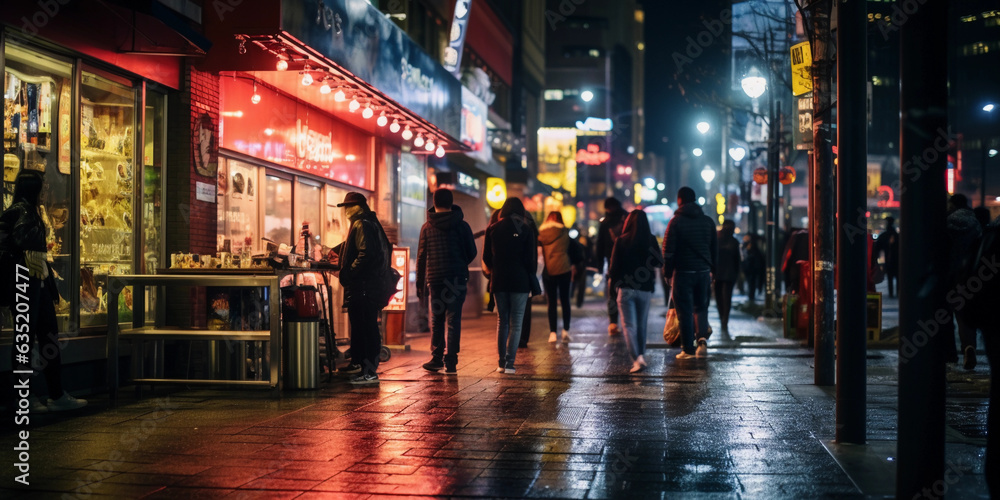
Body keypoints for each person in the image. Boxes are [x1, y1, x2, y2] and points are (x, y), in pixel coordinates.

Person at [1, 170, 86, 412]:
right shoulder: (23, 212)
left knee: (41, 336)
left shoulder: (24, 211)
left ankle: (53, 394)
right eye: (42, 187)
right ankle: (30, 396)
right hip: (27, 281)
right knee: (29, 339)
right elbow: (24, 243)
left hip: (36, 280)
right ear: (34, 189)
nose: (45, 191)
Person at [330, 192, 391, 385]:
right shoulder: (370, 222)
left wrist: (349, 274)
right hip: (370, 285)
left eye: (348, 207)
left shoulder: (361, 223)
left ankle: (369, 371)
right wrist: (339, 250)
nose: (346, 211)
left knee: (366, 327)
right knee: (360, 326)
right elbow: (364, 246)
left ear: (355, 208)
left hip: (364, 285)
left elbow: (365, 253)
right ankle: (358, 364)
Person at [416, 188, 477, 374]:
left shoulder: (427, 227)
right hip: (457, 279)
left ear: (434, 202)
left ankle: (436, 358)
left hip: (435, 279)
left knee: (437, 319)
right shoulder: (462, 225)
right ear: (451, 202)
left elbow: (421, 257)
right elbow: (472, 252)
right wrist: (460, 263)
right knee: (453, 319)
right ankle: (451, 362)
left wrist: (420, 284)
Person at [483, 198, 537, 374]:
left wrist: (496, 268)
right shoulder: (526, 230)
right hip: (520, 281)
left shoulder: (492, 229)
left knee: (502, 320)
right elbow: (531, 260)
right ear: (521, 212)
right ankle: (510, 364)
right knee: (516, 322)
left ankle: (500, 363)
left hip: (499, 280)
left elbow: (486, 258)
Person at [662, 187, 717, 360]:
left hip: (683, 272)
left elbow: (668, 250)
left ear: (680, 200)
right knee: (701, 307)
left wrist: (667, 272)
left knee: (684, 310)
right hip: (703, 272)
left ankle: (688, 349)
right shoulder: (708, 221)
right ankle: (701, 341)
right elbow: (714, 248)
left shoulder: (676, 222)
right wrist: (713, 269)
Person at [608, 210, 663, 373]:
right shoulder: (650, 240)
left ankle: (637, 358)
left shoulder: (621, 241)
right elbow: (659, 262)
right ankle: (641, 355)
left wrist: (616, 284)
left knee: (629, 325)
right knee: (641, 324)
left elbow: (613, 268)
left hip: (625, 289)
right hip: (645, 288)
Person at [946, 194, 982, 370]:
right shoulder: (975, 224)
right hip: (971, 275)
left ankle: (949, 353)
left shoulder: (946, 223)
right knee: (965, 315)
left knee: (943, 316)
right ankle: (969, 347)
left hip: (948, 274)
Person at [538, 212, 573, 343]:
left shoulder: (541, 234)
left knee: (551, 302)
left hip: (548, 271)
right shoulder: (564, 231)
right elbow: (572, 249)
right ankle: (566, 330)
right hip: (564, 269)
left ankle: (552, 333)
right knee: (565, 301)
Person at [596, 197, 629, 335]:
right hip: (628, 261)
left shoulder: (606, 222)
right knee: (627, 291)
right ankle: (626, 322)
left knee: (612, 294)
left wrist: (599, 265)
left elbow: (599, 244)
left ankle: (613, 323)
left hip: (612, 262)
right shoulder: (627, 217)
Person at [715, 220, 741, 332]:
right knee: (726, 297)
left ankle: (723, 318)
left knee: (720, 297)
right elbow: (737, 260)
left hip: (719, 273)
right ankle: (724, 318)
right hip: (729, 273)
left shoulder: (717, 240)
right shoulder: (734, 242)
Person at [875, 217, 900, 298]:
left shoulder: (884, 236)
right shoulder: (897, 236)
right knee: (898, 278)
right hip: (897, 261)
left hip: (889, 261)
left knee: (890, 278)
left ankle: (891, 293)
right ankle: (898, 292)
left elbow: (877, 248)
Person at [742, 234, 765, 303]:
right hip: (751, 268)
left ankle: (751, 296)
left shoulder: (752, 247)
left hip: (752, 268)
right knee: (751, 282)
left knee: (752, 282)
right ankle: (751, 296)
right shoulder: (747, 246)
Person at [572, 233, 592, 308]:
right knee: (575, 284)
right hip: (578, 267)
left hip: (582, 268)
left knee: (580, 286)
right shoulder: (578, 247)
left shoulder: (586, 249)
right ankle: (574, 299)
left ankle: (578, 302)